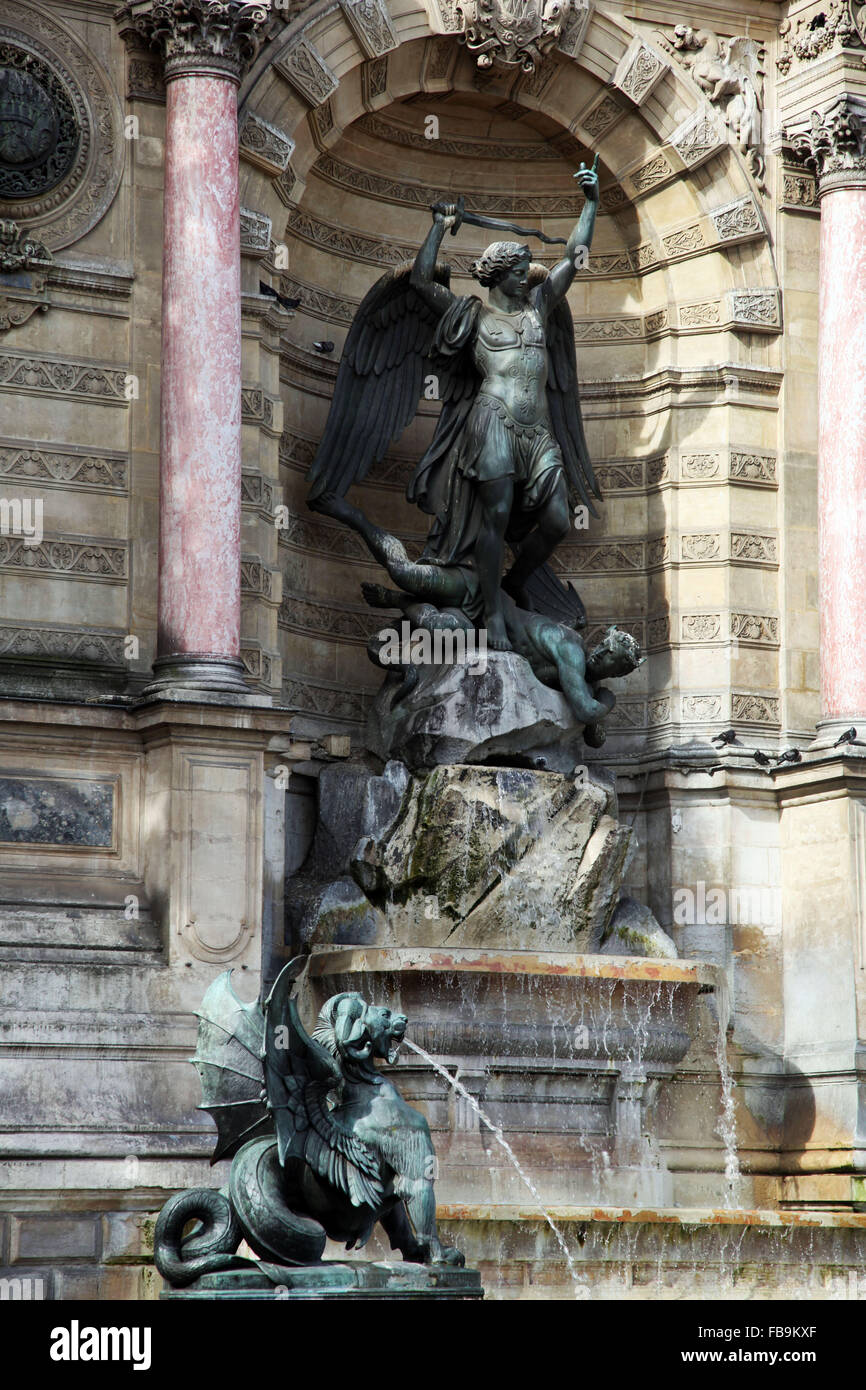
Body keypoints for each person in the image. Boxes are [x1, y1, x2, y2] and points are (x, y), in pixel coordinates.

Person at [407, 157, 600, 651]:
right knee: (495, 516)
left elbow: (574, 257)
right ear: (496, 275)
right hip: (492, 423)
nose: (525, 277)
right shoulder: (470, 315)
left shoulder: (539, 308)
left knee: (558, 519)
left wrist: (591, 205)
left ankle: (512, 585)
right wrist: (437, 228)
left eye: (525, 270)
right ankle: (492, 610)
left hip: (537, 434)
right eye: (517, 271)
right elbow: (421, 282)